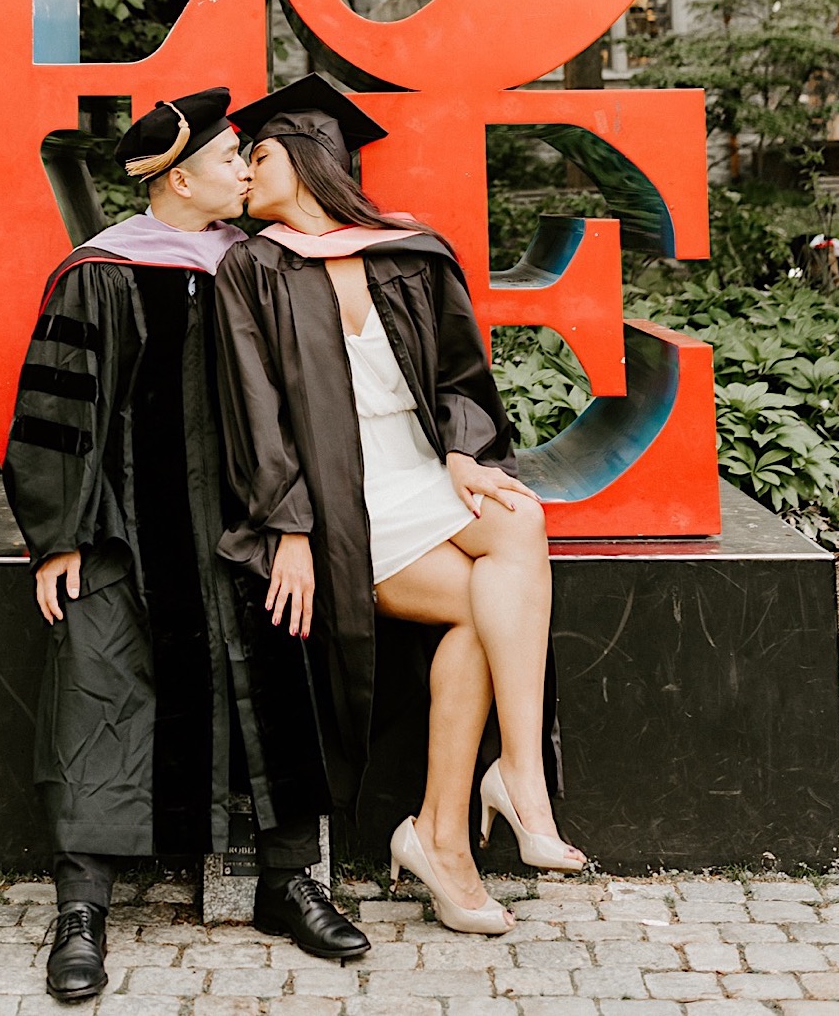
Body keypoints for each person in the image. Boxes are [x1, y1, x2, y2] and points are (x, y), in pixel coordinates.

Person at [3, 86, 368, 1005]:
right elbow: (59, 412)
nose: (245, 168)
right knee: (101, 685)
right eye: (227, 158)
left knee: (279, 680)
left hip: (252, 525)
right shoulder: (106, 271)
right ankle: (81, 904)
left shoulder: (261, 264)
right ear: (174, 178)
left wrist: (295, 526)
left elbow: (306, 406)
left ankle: (288, 881)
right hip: (131, 526)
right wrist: (59, 535)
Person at [214, 74, 584, 939]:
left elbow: (459, 372)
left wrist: (462, 450)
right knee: (487, 616)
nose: (243, 174)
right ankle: (447, 832)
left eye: (256, 156)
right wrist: (291, 527)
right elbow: (253, 414)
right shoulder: (251, 269)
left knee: (520, 521)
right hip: (349, 504)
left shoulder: (406, 251)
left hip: (424, 472)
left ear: (305, 162)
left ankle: (505, 785)